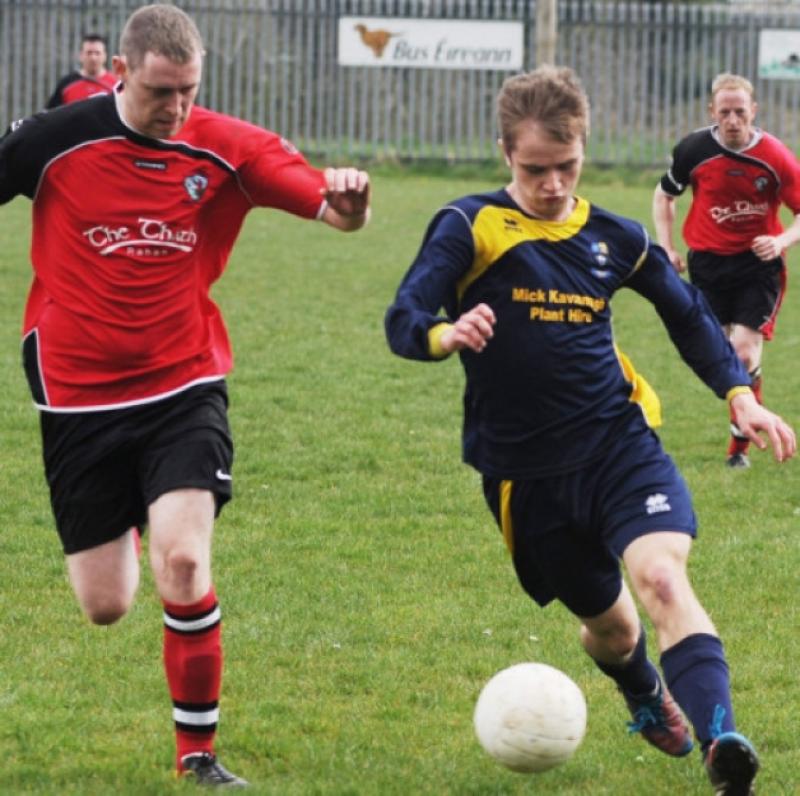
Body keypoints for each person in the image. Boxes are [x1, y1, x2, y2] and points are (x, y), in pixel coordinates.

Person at [385, 65, 795, 795]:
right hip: (524, 473)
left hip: (618, 443)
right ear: (505, 152)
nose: (552, 185)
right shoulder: (468, 225)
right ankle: (641, 691)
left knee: (664, 580)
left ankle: (721, 741)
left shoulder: (614, 236)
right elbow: (404, 316)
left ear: (585, 149)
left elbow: (687, 315)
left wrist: (738, 392)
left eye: (566, 167)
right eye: (536, 169)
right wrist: (444, 335)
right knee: (612, 630)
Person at [0, 3, 370, 788]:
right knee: (105, 606)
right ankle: (135, 511)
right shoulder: (55, 140)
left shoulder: (227, 147)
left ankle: (195, 754)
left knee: (183, 561)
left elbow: (330, 212)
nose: (176, 108)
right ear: (122, 73)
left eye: (189, 91)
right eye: (161, 91)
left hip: (182, 382)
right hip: (77, 394)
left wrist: (349, 202)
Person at [653, 72, 800, 469]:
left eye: (740, 111)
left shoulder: (776, 157)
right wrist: (666, 247)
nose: (733, 119)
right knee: (720, 353)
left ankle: (739, 446)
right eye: (725, 112)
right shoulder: (693, 151)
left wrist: (781, 241)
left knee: (744, 350)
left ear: (754, 111)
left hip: (759, 264)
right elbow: (664, 195)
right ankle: (750, 409)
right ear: (712, 113)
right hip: (708, 263)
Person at [46, 33, 118, 108]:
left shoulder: (117, 84)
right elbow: (51, 115)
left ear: (105, 56)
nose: (93, 58)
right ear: (81, 55)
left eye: (97, 53)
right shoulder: (66, 84)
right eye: (89, 53)